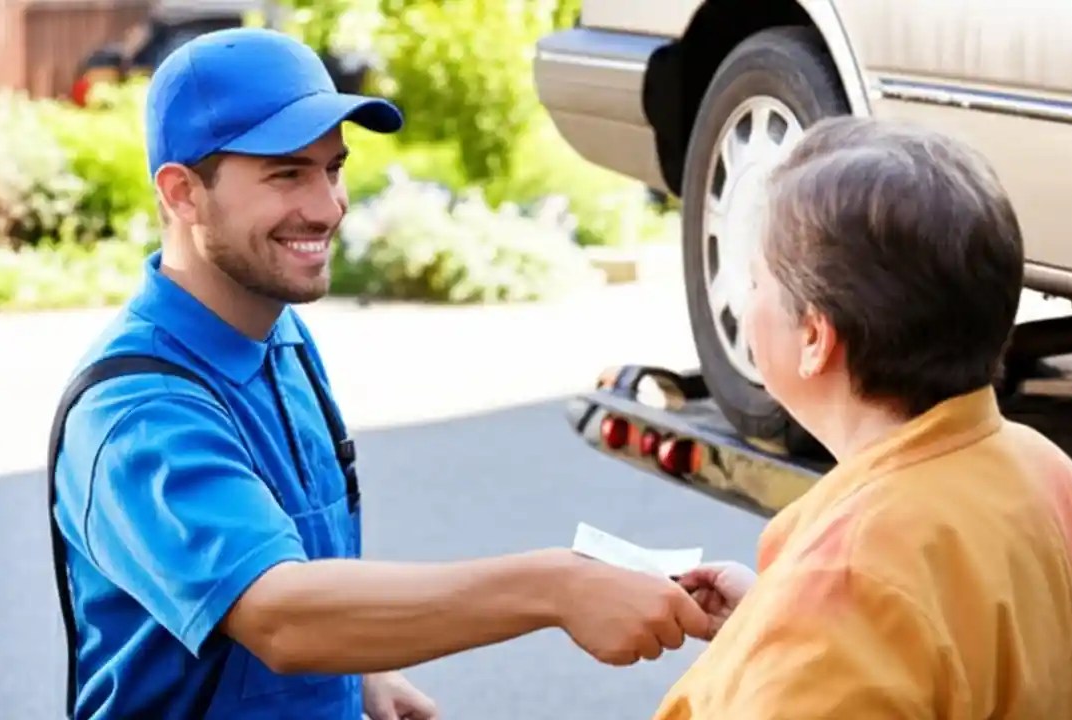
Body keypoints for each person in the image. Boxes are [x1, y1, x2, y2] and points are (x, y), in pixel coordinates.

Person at [47, 27, 708, 720]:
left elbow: (294, 570)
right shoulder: (138, 411)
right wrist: (554, 587)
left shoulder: (279, 334)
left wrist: (359, 675)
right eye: (286, 174)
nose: (328, 207)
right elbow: (280, 616)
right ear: (182, 193)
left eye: (332, 169)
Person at [653, 117, 1072, 719]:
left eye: (756, 281)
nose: (746, 302)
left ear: (814, 338)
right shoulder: (1047, 471)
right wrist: (768, 625)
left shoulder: (850, 582)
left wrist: (801, 630)